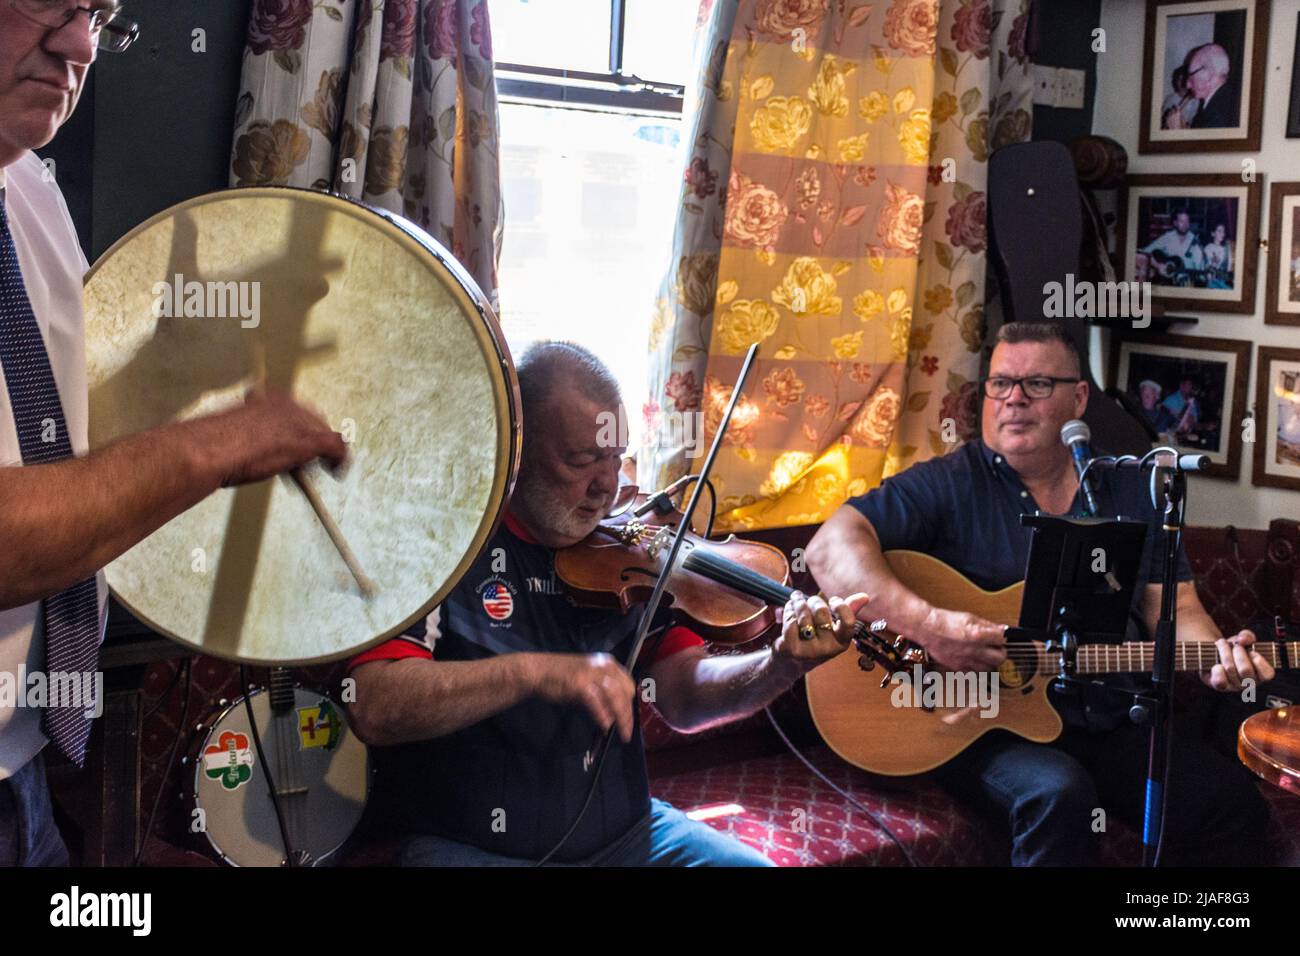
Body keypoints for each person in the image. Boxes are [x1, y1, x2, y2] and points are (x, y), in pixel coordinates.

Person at [0, 2, 347, 866]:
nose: (81, 45)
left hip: (21, 772)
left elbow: (55, 431)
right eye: (48, 3)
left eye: (99, 16)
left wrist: (185, 373)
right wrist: (218, 442)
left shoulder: (28, 189)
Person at [346, 342, 870, 866]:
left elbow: (684, 697)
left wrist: (779, 664)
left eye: (616, 457)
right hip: (470, 846)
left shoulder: (632, 553)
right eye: (582, 460)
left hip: (629, 837)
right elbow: (373, 704)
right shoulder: (442, 544)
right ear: (515, 448)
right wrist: (533, 674)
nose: (607, 485)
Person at [806, 322, 1273, 866]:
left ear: (1078, 397)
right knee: (1058, 794)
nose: (1014, 400)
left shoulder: (1128, 486)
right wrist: (932, 627)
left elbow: (1176, 606)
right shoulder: (951, 482)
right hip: (977, 719)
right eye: (1000, 383)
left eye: (1037, 385)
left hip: (1106, 716)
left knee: (1226, 800)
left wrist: (1217, 658)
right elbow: (827, 549)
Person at [1141, 208, 1203, 281]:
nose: (1185, 224)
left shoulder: (1194, 240)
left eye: (1187, 221)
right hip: (1168, 282)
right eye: (1182, 221)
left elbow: (1200, 266)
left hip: (1188, 282)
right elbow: (1144, 252)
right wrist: (1158, 266)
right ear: (1175, 223)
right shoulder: (1167, 237)